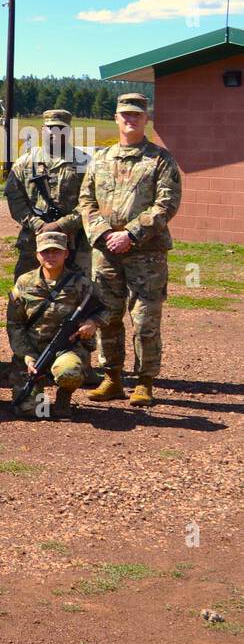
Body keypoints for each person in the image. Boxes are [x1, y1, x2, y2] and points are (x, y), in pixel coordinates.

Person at [79, 92, 182, 407]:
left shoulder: (160, 160)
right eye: (125, 114)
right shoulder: (101, 159)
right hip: (106, 252)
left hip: (146, 254)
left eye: (136, 114)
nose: (130, 119)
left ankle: (145, 382)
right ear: (116, 118)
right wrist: (105, 233)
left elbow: (166, 204)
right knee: (107, 315)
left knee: (145, 318)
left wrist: (131, 235)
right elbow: (86, 201)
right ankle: (112, 378)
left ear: (145, 119)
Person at [6, 231, 103, 419]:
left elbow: (106, 308)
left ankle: (64, 397)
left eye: (56, 251)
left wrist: (93, 322)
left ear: (66, 253)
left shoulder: (80, 283)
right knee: (29, 410)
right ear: (37, 254)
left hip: (67, 349)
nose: (50, 256)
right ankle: (40, 395)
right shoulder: (24, 282)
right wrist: (27, 355)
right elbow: (14, 324)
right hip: (33, 350)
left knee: (69, 372)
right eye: (45, 252)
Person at [5, 108, 92, 279]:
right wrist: (37, 224)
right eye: (50, 128)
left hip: (73, 242)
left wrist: (62, 224)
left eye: (61, 128)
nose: (55, 133)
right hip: (33, 240)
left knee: (76, 291)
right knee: (25, 289)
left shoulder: (84, 163)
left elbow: (90, 202)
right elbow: (15, 199)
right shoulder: (25, 163)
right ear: (42, 130)